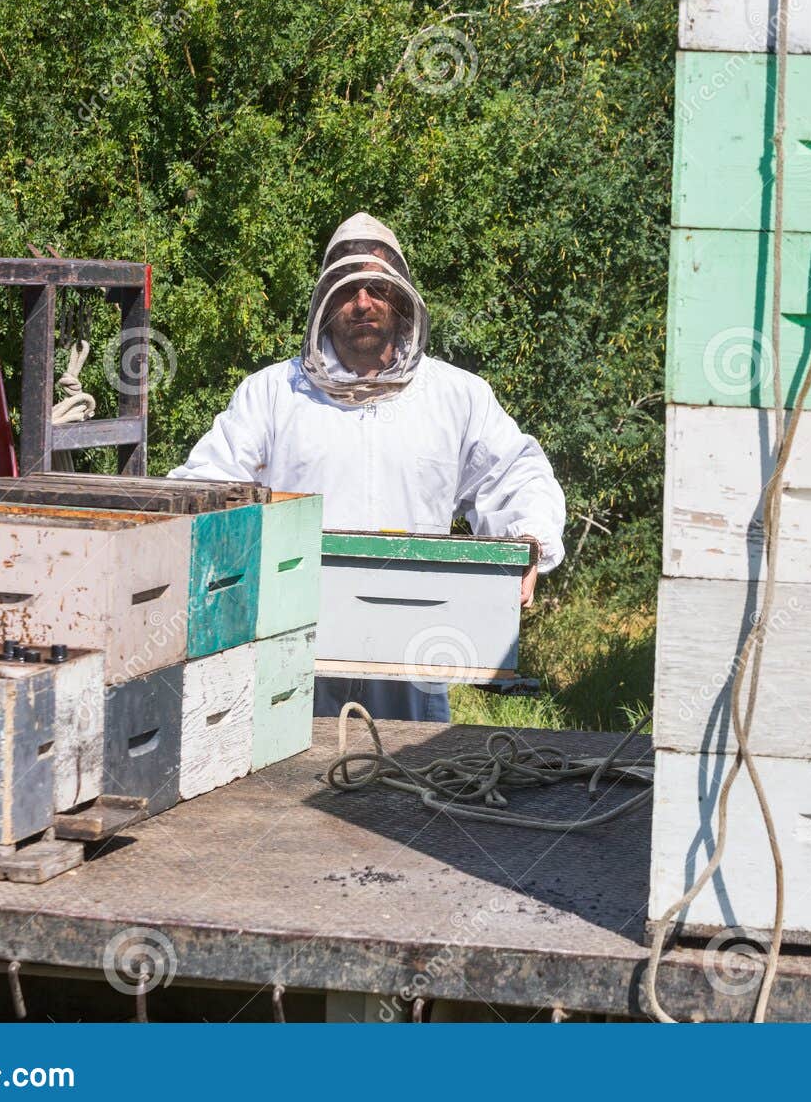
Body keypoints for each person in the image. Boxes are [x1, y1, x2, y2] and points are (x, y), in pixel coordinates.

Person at [171, 212, 566, 723]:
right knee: (289, 791)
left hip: (415, 656)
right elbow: (208, 482)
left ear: (401, 299)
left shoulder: (455, 396)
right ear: (324, 301)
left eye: (377, 287)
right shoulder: (272, 394)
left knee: (412, 791)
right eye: (347, 288)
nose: (362, 303)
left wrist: (528, 537)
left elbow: (516, 472)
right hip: (297, 653)